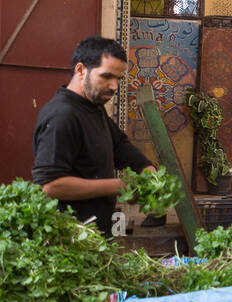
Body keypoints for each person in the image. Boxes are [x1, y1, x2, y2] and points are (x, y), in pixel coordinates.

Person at [32, 36, 156, 236]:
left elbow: (119, 146)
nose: (114, 86)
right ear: (80, 70)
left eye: (118, 79)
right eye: (106, 76)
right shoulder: (61, 116)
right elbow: (51, 185)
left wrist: (146, 169)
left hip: (96, 234)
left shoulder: (93, 107)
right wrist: (121, 186)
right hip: (70, 240)